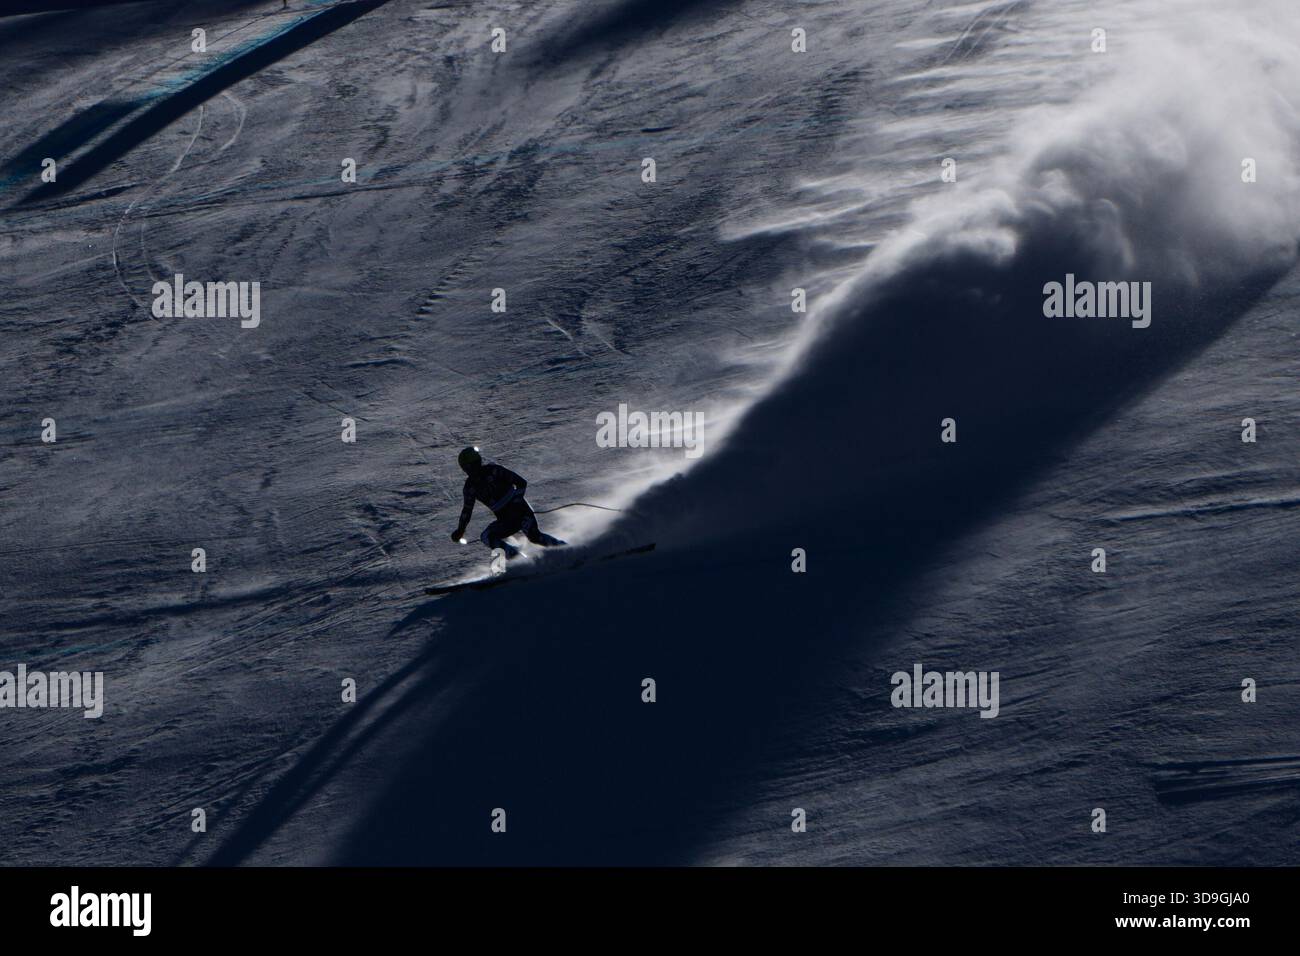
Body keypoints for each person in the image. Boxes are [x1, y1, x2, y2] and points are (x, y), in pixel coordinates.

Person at [450, 447, 565, 558]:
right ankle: (517, 561)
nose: (472, 470)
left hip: (521, 512)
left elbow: (521, 483)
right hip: (505, 520)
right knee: (487, 536)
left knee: (534, 536)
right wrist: (460, 530)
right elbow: (467, 510)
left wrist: (516, 502)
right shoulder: (470, 487)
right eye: (468, 468)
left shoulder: (495, 471)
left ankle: (565, 549)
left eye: (474, 465)